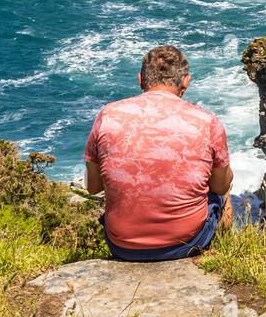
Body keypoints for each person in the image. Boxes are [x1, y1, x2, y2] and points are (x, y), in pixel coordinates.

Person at [85, 46, 233, 261]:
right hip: (187, 243)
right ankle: (221, 255)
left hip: (122, 245)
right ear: (186, 81)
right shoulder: (207, 121)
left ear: (140, 79)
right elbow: (220, 187)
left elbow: (93, 187)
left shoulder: (107, 114)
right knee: (224, 186)